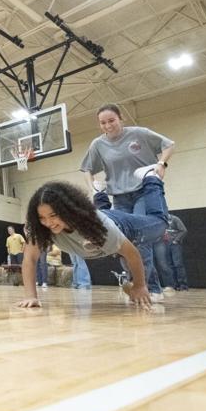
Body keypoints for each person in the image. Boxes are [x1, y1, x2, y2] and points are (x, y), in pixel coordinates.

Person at [17, 165, 170, 309]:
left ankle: (151, 178)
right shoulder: (40, 229)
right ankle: (100, 192)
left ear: (67, 210)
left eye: (53, 215)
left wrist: (140, 286)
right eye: (42, 217)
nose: (48, 222)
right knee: (100, 220)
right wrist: (31, 296)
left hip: (124, 226)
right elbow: (30, 259)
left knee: (160, 223)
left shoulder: (102, 228)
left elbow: (132, 254)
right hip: (100, 221)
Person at [80, 104, 174, 301]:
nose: (108, 126)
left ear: (121, 118)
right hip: (119, 197)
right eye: (103, 123)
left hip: (144, 191)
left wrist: (161, 164)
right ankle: (150, 286)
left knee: (140, 237)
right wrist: (93, 188)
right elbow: (86, 168)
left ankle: (147, 287)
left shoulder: (139, 133)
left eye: (111, 120)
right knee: (124, 242)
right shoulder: (98, 144)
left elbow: (169, 144)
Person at [153, 214, 188, 291]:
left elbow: (183, 230)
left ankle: (183, 285)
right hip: (165, 245)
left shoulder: (174, 219)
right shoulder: (160, 221)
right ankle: (174, 285)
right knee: (169, 265)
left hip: (175, 245)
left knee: (178, 264)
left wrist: (176, 240)